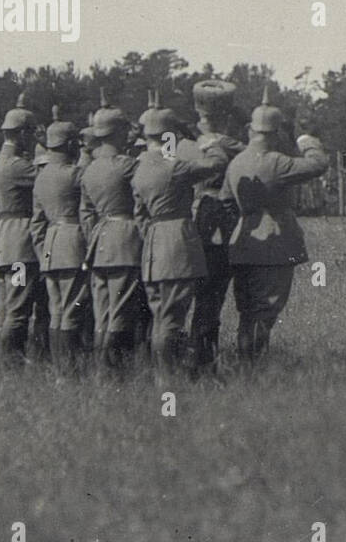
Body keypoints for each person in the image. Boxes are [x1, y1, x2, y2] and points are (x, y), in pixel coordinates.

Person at [219, 88, 328, 364]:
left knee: (247, 310)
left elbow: (226, 201)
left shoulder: (236, 162)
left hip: (243, 243)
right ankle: (253, 367)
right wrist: (307, 140)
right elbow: (318, 164)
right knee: (267, 308)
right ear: (277, 131)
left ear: (250, 130)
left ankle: (245, 366)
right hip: (275, 244)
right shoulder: (277, 162)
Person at [131, 103, 227, 380]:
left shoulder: (139, 169)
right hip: (177, 246)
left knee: (160, 315)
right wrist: (212, 143)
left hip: (152, 247)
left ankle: (162, 377)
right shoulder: (174, 166)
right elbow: (216, 165)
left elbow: (140, 217)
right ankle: (168, 381)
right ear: (169, 135)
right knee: (172, 319)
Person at [80, 96, 144, 373]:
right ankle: (113, 372)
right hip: (125, 240)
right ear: (117, 132)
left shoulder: (89, 169)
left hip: (99, 241)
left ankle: (101, 368)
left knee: (102, 311)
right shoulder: (128, 165)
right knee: (120, 309)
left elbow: (85, 213)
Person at [186, 79, 246, 369]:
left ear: (197, 109)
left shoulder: (184, 143)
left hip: (183, 226)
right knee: (211, 297)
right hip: (218, 224)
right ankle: (203, 359)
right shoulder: (233, 146)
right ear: (227, 113)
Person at [32, 110, 90, 374]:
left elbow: (36, 223)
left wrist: (43, 250)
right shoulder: (76, 175)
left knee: (56, 309)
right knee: (71, 310)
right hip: (72, 244)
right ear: (69, 145)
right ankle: (68, 371)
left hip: (50, 248)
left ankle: (59, 371)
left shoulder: (41, 177)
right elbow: (87, 214)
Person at [0, 97, 42, 366]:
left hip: (1, 245)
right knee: (18, 308)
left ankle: (5, 362)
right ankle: (12, 364)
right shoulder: (19, 165)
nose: (32, 139)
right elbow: (47, 181)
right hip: (19, 247)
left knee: (5, 308)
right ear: (21, 134)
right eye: (31, 134)